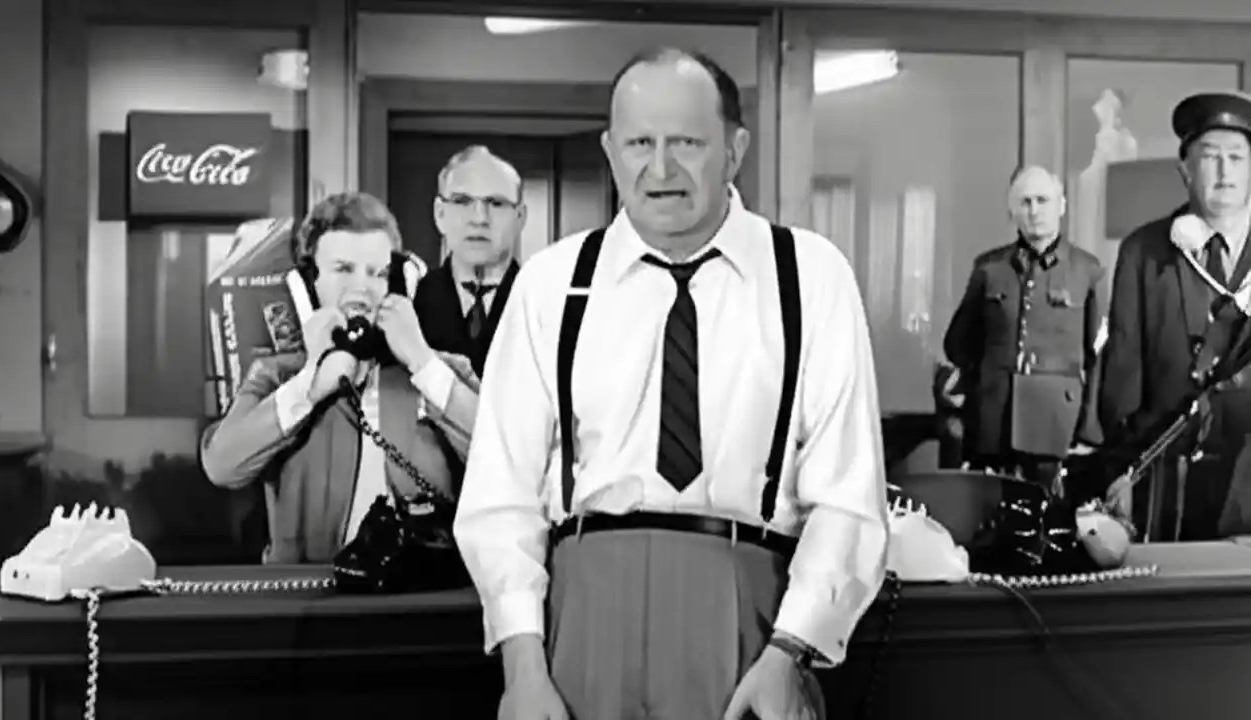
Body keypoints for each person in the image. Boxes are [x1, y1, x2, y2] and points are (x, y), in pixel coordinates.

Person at [452, 48, 888, 720]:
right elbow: (499, 493)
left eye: (687, 142)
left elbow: (848, 494)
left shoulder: (810, 276)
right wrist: (523, 668)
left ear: (735, 150)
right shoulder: (552, 283)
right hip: (584, 619)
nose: (660, 169)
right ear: (609, 150)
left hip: (752, 615)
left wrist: (789, 651)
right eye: (639, 143)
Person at [200, 192, 479, 562]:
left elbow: (510, 455)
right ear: (307, 285)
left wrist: (423, 365)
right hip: (309, 602)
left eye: (378, 273)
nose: (362, 288)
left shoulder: (444, 372)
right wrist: (309, 389)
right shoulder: (277, 377)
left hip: (420, 599)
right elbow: (222, 466)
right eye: (344, 269)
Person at [1100, 91, 1251, 541]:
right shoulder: (1145, 252)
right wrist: (1122, 470)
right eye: (1209, 157)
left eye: (1237, 157)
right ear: (1184, 170)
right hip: (1165, 479)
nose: (1225, 171)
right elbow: (1122, 371)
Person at [943, 166, 1103, 493]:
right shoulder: (989, 269)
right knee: (991, 518)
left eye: (1042, 201)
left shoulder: (1087, 271)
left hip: (1056, 423)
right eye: (1025, 202)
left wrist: (1088, 428)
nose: (1034, 211)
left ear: (1061, 206)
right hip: (995, 421)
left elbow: (1098, 356)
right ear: (1012, 210)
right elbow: (958, 345)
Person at [414, 145, 524, 379]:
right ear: (439, 214)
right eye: (462, 201)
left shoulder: (544, 301)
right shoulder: (412, 300)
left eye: (495, 203)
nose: (479, 219)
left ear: (520, 217)